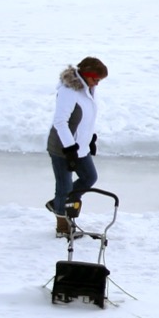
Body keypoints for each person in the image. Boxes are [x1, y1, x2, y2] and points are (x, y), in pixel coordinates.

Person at [45, 57, 108, 237]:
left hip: (80, 146)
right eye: (96, 79)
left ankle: (57, 204)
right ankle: (62, 228)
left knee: (89, 177)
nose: (97, 83)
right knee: (63, 188)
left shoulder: (89, 90)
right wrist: (70, 148)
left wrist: (90, 139)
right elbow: (60, 122)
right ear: (86, 74)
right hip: (61, 147)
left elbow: (86, 118)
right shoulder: (68, 91)